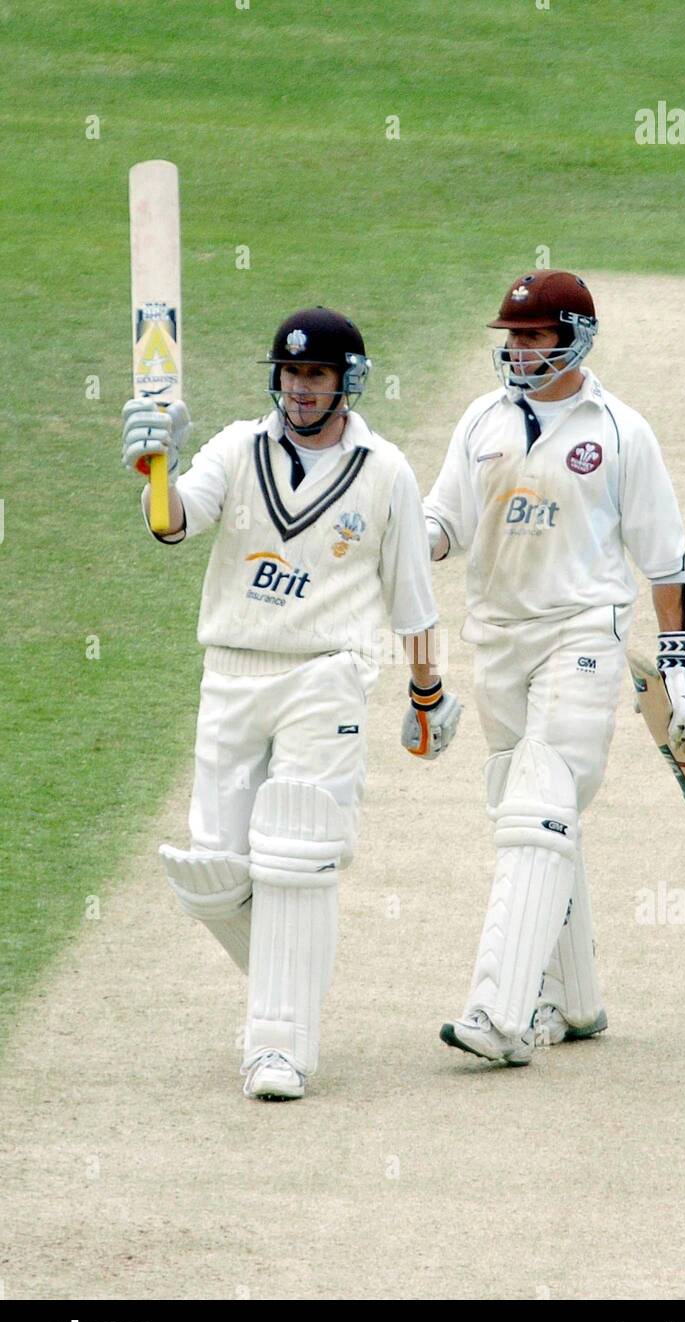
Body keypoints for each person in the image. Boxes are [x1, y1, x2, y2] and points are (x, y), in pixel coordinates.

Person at [121, 306, 461, 1101]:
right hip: (233, 670)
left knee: (297, 850)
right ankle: (293, 990)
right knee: (215, 872)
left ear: (347, 382)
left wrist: (427, 691)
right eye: (290, 373)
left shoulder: (387, 472)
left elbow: (412, 600)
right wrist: (156, 463)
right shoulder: (236, 448)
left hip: (326, 673)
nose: (300, 389)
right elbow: (172, 525)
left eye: (316, 375)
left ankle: (277, 1050)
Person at [422, 270, 685, 1066]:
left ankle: (502, 1011)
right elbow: (444, 520)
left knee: (542, 795)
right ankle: (572, 999)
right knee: (529, 812)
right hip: (499, 638)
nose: (517, 350)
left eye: (533, 336)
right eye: (511, 337)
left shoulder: (621, 431)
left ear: (575, 338)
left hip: (584, 631)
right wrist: (404, 544)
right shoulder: (482, 420)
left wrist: (683, 669)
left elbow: (666, 558)